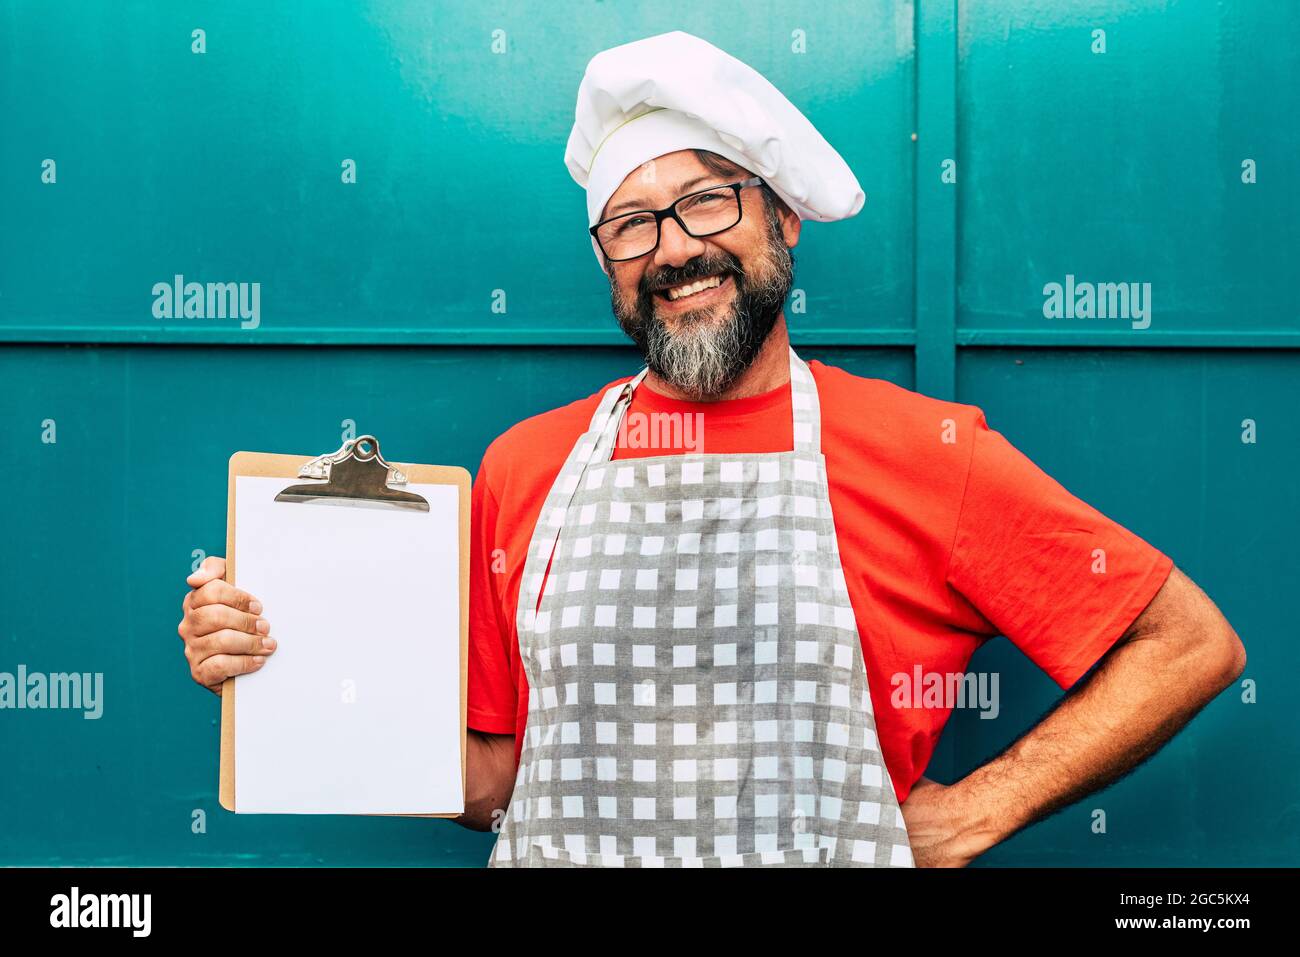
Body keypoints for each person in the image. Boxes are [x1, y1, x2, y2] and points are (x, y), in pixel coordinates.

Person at [177, 32, 1244, 867]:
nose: (674, 248)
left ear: (783, 219)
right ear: (606, 260)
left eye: (705, 200)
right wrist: (283, 668)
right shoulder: (524, 468)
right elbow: (498, 785)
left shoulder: (924, 453)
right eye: (630, 223)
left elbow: (1189, 645)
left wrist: (975, 813)